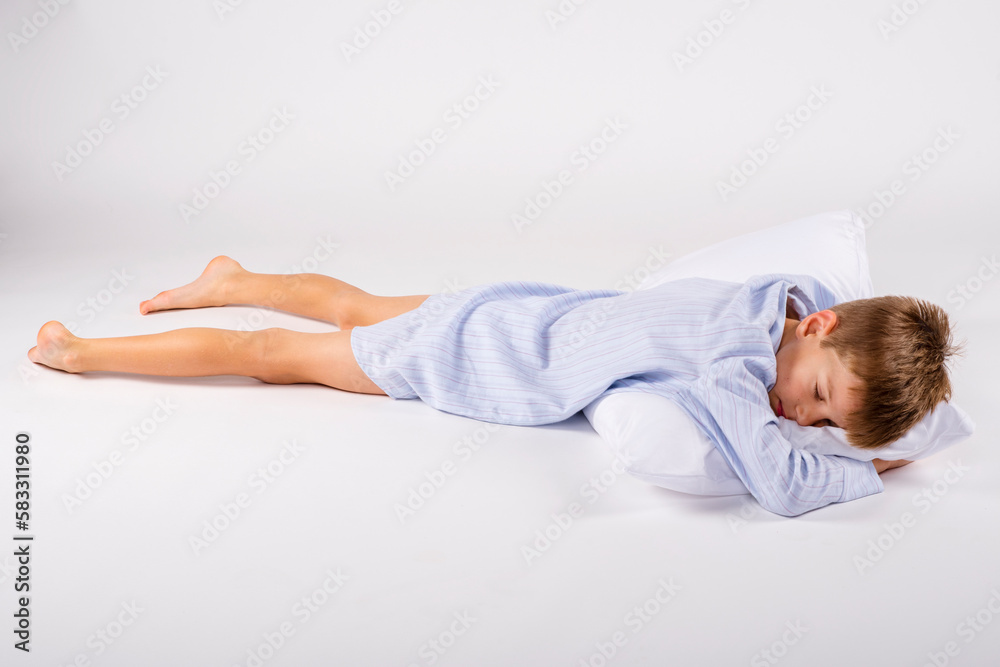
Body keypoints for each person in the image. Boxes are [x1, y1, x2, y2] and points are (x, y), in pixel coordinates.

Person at [28, 255, 958, 516]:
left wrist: (876, 393)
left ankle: (228, 277)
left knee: (355, 302)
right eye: (821, 395)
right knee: (273, 355)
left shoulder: (784, 296)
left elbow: (848, 310)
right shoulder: (738, 369)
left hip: (520, 307)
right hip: (474, 354)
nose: (800, 414)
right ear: (820, 332)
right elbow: (782, 481)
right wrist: (861, 470)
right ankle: (79, 352)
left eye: (822, 418)